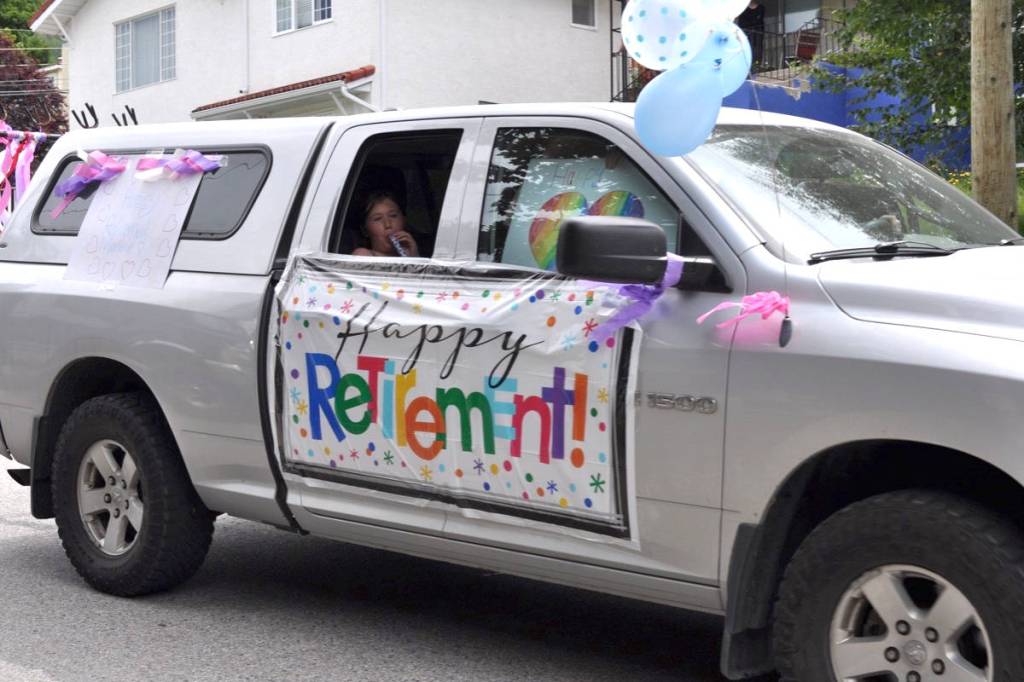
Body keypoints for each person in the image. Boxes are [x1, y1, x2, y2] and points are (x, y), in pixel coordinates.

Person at [352, 191, 420, 257]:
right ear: (365, 230)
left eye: (393, 216)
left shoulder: (409, 255)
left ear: (404, 220)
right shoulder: (364, 255)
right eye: (377, 219)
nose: (388, 224)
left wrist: (414, 257)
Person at [737, 1, 766, 67]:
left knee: (757, 49)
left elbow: (759, 20)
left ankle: (756, 65)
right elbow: (741, 23)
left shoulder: (761, 8)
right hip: (746, 34)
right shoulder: (742, 9)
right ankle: (748, 66)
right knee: (747, 48)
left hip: (758, 33)